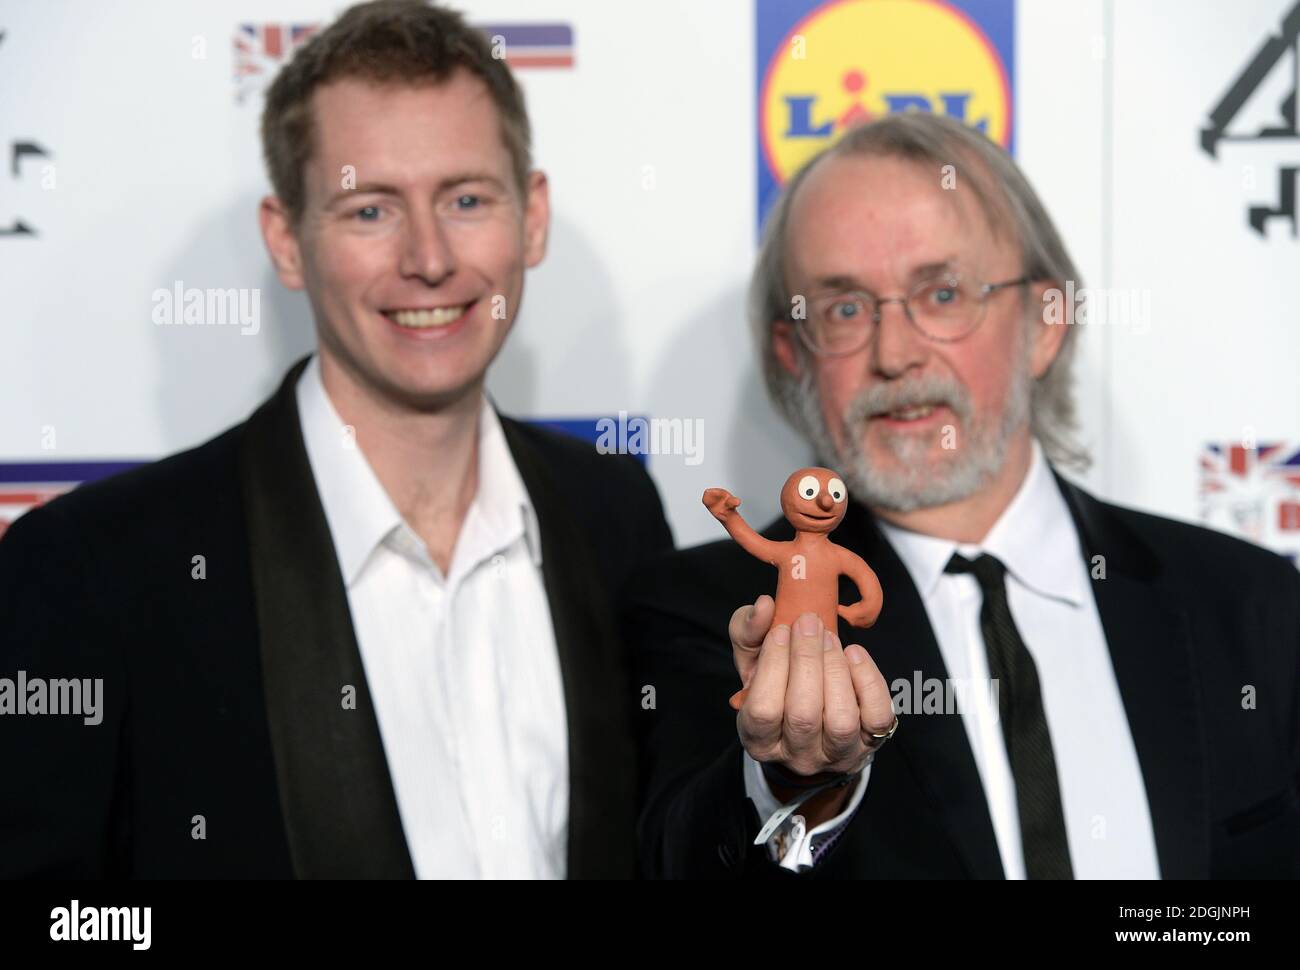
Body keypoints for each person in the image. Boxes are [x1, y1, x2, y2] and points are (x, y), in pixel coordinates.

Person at [0, 0, 670, 879]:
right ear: (287, 241)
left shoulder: (614, 513)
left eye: (466, 198)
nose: (428, 258)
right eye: (369, 211)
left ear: (531, 217)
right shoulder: (97, 570)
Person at [628, 112, 1300, 879]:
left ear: (1046, 324)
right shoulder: (710, 612)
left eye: (942, 294)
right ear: (793, 356)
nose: (895, 353)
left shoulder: (1247, 606)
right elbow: (680, 860)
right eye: (844, 309)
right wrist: (791, 782)